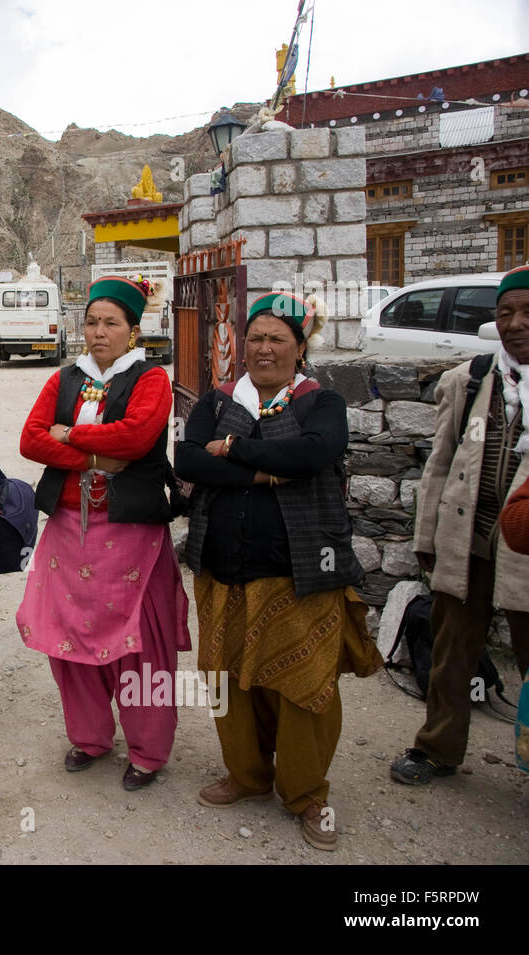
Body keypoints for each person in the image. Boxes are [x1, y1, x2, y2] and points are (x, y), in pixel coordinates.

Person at [177, 291, 381, 851]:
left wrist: (234, 449)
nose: (264, 348)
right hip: (223, 566)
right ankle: (245, 776)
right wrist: (262, 475)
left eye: (278, 339)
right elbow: (187, 459)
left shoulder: (322, 402)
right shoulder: (219, 399)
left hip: (300, 570)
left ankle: (307, 792)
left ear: (299, 347)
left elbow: (315, 454)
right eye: (256, 338)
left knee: (302, 683)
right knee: (226, 677)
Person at [17, 276, 190, 791]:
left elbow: (137, 437)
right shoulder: (65, 377)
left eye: (111, 323)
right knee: (68, 638)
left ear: (133, 330)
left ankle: (148, 751)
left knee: (139, 644)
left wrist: (67, 433)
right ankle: (90, 737)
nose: (98, 332)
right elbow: (29, 439)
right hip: (69, 529)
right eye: (91, 322)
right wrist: (95, 456)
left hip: (131, 531)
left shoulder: (151, 379)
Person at [391, 265, 529, 784]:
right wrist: (426, 538)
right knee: (452, 650)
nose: (516, 324)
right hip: (466, 538)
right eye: (505, 313)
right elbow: (440, 466)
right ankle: (438, 748)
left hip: (526, 546)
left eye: (526, 313)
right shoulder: (469, 381)